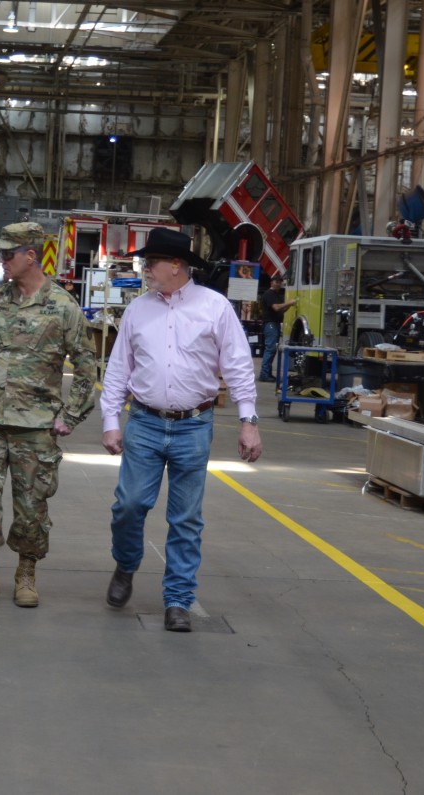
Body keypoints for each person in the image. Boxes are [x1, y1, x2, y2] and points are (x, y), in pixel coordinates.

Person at [100, 227, 263, 631]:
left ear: (176, 265)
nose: (145, 269)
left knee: (186, 518)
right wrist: (110, 421)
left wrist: (249, 422)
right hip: (144, 422)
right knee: (129, 505)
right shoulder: (139, 309)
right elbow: (120, 368)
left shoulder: (215, 307)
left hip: (194, 426)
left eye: (150, 262)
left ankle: (178, 599)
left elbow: (239, 366)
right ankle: (126, 564)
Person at [0, 222, 98, 609]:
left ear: (30, 256)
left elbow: (87, 367)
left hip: (36, 425)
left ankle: (26, 572)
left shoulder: (63, 307)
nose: (1, 260)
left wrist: (71, 414)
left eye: (7, 254)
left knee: (32, 504)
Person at [258, 274, 296, 382]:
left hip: (274, 324)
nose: (278, 284)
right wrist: (290, 302)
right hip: (270, 325)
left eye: (280, 282)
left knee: (273, 349)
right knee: (270, 349)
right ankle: (264, 374)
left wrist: (288, 306)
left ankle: (267, 373)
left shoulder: (276, 294)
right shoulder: (269, 294)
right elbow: (276, 307)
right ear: (272, 282)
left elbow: (281, 310)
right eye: (276, 282)